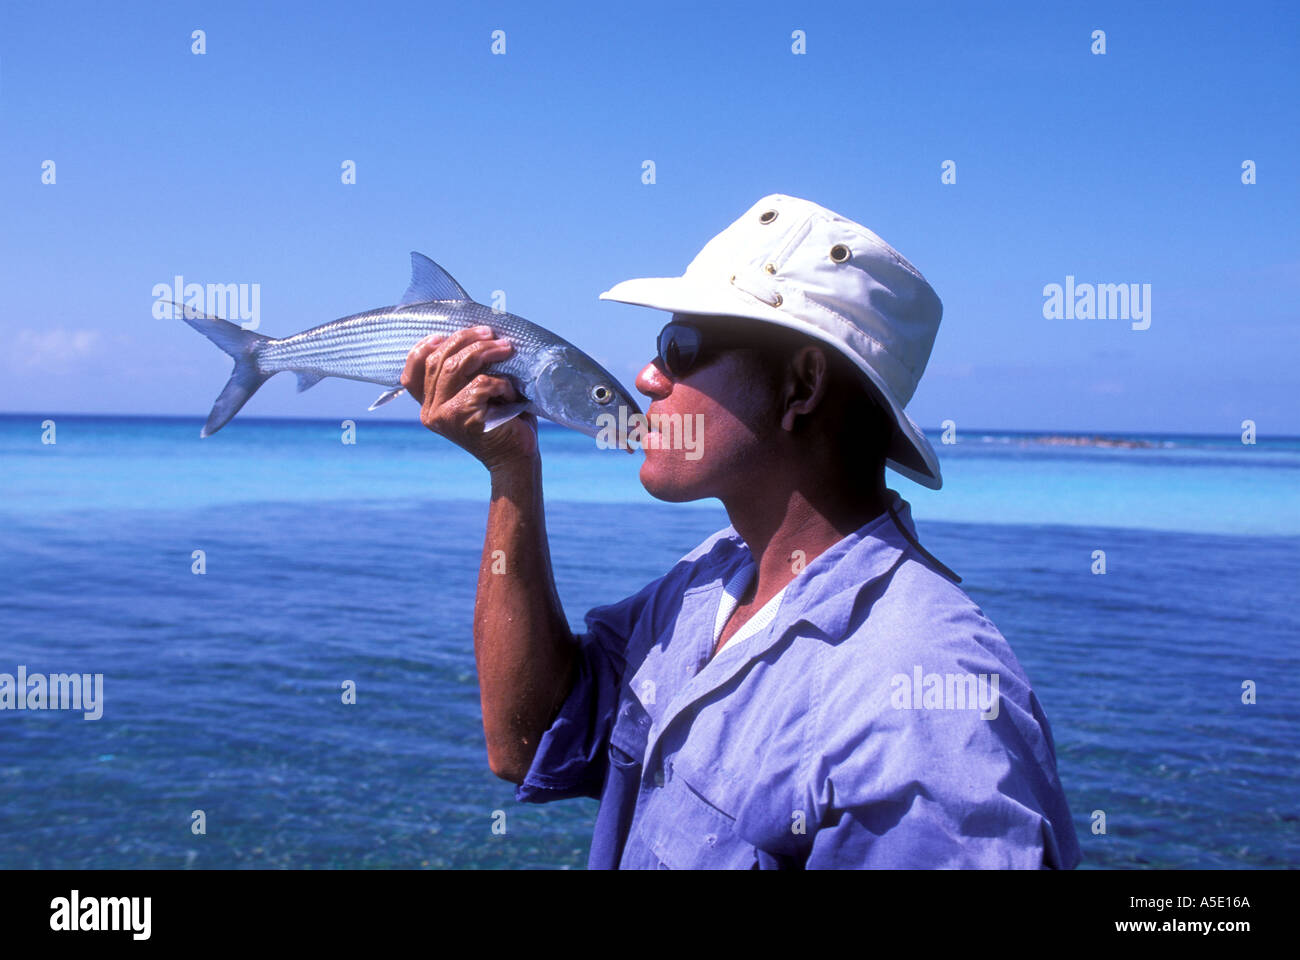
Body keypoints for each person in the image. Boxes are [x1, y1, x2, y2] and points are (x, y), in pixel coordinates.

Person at [401, 194, 1081, 869]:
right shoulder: (713, 580)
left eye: (680, 347)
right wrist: (510, 469)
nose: (646, 376)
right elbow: (526, 741)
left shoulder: (925, 706)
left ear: (802, 386)